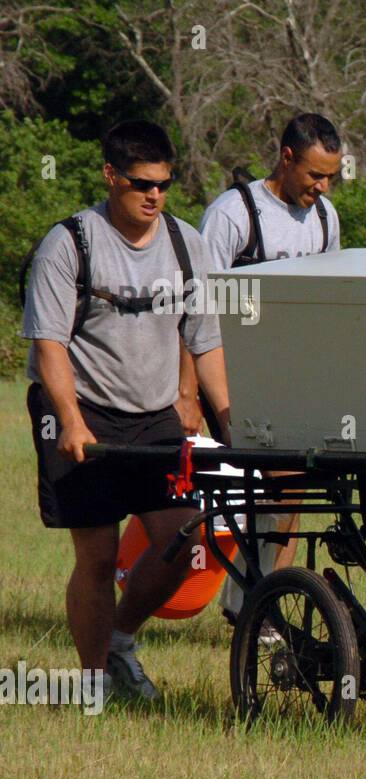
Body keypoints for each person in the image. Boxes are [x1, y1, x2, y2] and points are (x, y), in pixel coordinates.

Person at [23, 119, 229, 699]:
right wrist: (70, 420)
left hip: (152, 413)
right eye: (141, 184)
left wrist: (232, 421)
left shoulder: (189, 244)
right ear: (111, 176)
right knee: (98, 552)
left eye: (164, 184)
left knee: (181, 538)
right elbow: (49, 343)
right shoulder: (70, 243)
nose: (154, 196)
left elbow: (205, 341)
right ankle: (92, 685)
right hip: (82, 408)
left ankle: (119, 639)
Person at [198, 114, 342, 610]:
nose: (322, 187)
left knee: (291, 493)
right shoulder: (232, 214)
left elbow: (331, 303)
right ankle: (247, 604)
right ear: (286, 157)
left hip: (295, 378)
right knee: (232, 501)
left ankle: (256, 609)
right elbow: (198, 310)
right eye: (314, 175)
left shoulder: (326, 218)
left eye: (330, 177)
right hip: (233, 377)